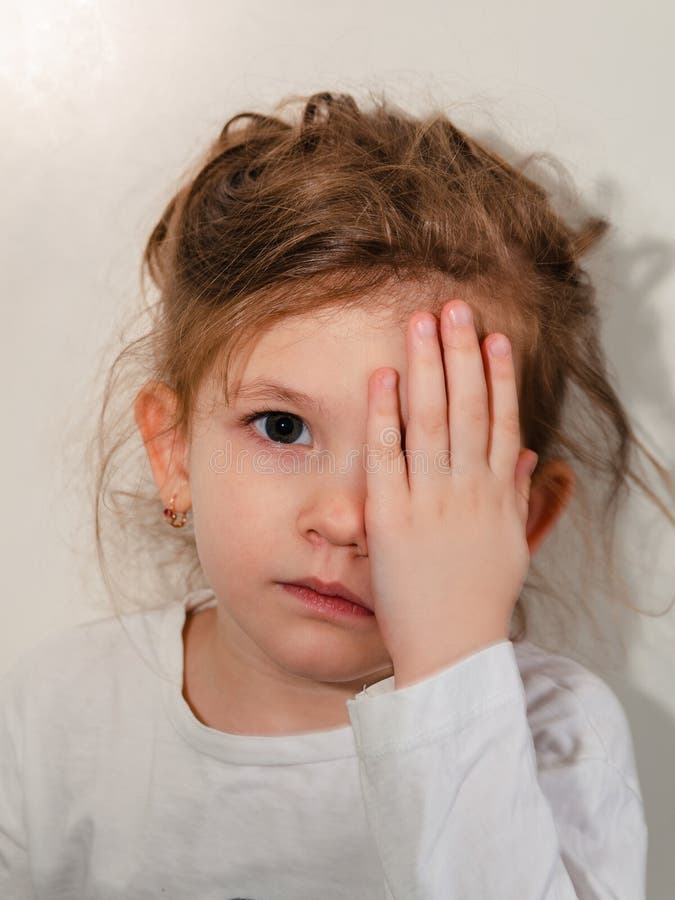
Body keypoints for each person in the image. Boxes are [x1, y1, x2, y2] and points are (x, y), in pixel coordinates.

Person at [1, 90, 671, 899]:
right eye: (281, 428)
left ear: (520, 517)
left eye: (426, 460)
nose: (346, 518)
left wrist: (449, 664)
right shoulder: (53, 711)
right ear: (173, 453)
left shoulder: (560, 736)